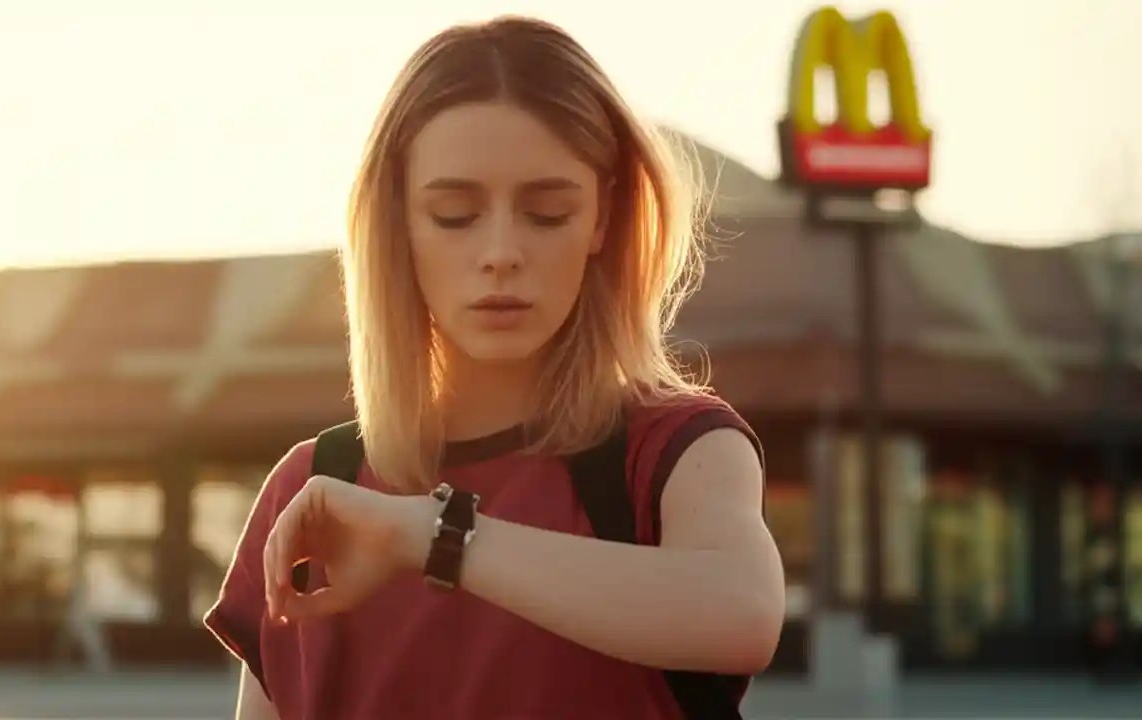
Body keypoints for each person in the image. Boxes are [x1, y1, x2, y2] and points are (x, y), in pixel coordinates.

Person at [204, 15, 784, 719]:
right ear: (399, 225)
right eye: (454, 214)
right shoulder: (317, 486)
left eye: (546, 212)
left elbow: (741, 613)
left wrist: (429, 536)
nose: (502, 251)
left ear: (603, 218)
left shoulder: (674, 452)